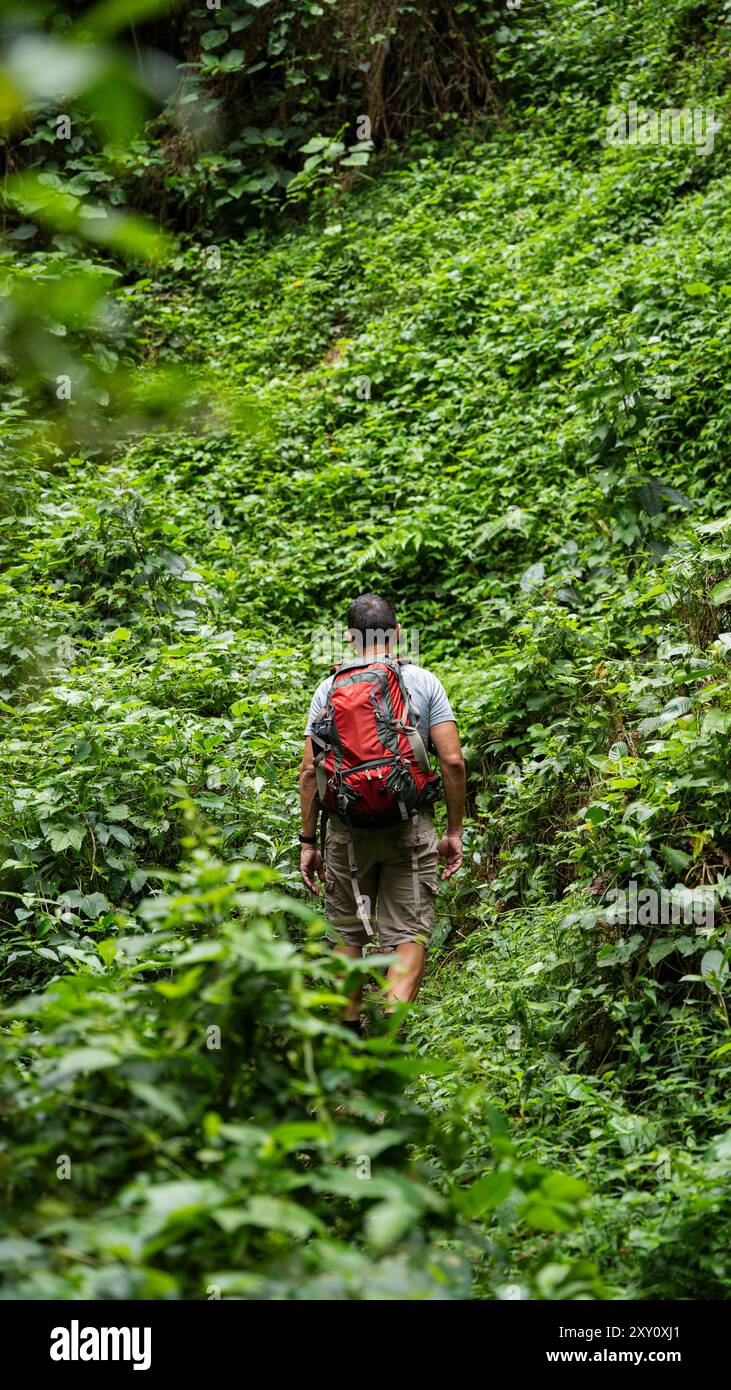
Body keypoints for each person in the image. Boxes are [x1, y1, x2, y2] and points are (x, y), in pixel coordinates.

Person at [299, 593, 465, 1032]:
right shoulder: (424, 682)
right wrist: (454, 832)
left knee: (348, 935)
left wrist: (308, 842)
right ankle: (387, 1036)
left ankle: (349, 1037)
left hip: (346, 831)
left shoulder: (328, 688)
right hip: (406, 825)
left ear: (352, 639)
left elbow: (309, 774)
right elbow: (451, 762)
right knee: (409, 931)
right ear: (394, 633)